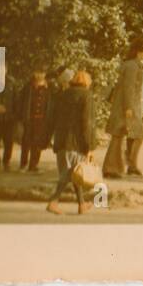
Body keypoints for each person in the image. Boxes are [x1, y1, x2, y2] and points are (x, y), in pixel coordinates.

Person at [48, 70, 96, 215]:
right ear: (87, 82)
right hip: (76, 142)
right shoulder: (86, 96)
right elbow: (87, 123)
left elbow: (52, 117)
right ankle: (53, 202)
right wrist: (90, 146)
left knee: (76, 173)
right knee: (69, 173)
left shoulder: (62, 95)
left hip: (61, 140)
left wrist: (47, 138)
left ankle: (81, 205)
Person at [103, 38, 143, 178]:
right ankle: (114, 168)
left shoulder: (130, 65)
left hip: (126, 106)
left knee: (132, 133)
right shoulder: (132, 66)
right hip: (127, 107)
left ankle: (128, 165)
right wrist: (129, 107)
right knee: (123, 134)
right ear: (139, 52)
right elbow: (128, 88)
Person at [18, 68, 52, 172]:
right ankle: (23, 164)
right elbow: (21, 102)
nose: (39, 75)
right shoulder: (28, 87)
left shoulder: (48, 89)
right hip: (29, 119)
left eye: (41, 73)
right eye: (37, 72)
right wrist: (23, 118)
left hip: (42, 120)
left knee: (38, 143)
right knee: (26, 142)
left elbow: (49, 105)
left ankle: (34, 165)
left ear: (45, 74)